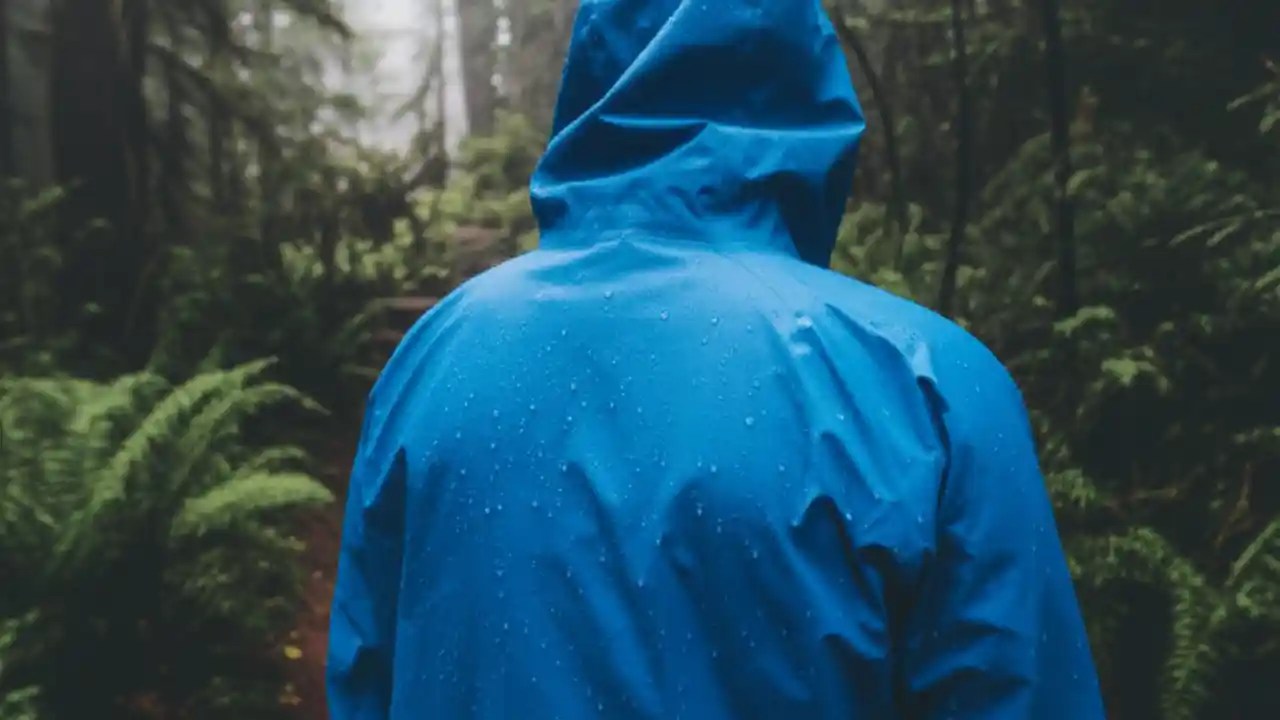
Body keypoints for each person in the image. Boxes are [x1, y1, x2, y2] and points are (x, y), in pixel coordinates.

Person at [326, 0, 1105, 717]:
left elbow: (368, 679)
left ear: (595, 80)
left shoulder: (432, 358)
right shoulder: (928, 381)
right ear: (805, 80)